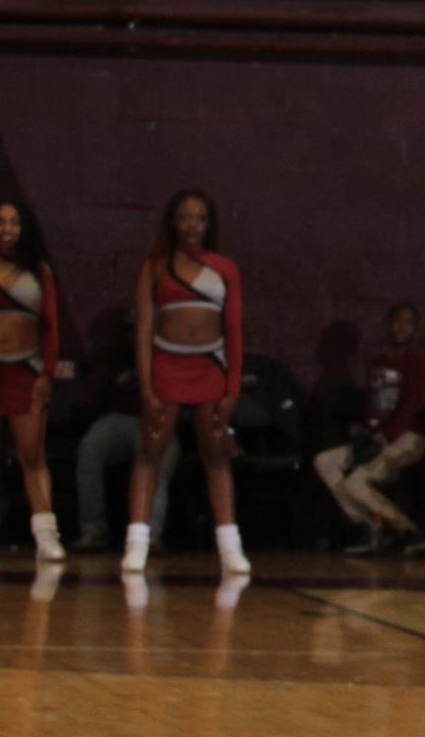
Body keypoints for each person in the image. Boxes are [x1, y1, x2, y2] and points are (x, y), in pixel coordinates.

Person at [125, 189, 250, 575]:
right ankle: (137, 542)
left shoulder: (225, 268)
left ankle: (229, 546)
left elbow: (234, 333)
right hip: (167, 363)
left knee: (215, 452)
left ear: (208, 224)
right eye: (184, 217)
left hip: (209, 365)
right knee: (151, 450)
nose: (192, 225)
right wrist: (146, 388)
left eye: (199, 218)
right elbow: (145, 331)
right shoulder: (155, 266)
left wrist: (232, 388)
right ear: (173, 222)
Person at [314, 302, 425, 555]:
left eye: (408, 322)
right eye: (397, 321)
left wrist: (387, 435)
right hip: (377, 436)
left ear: (415, 329)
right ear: (388, 325)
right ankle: (368, 525)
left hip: (407, 438)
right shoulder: (377, 360)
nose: (402, 327)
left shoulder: (415, 361)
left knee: (355, 482)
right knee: (325, 461)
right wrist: (366, 431)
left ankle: (410, 531)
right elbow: (371, 402)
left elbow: (411, 405)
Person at [72, 310, 182, 552]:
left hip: (160, 421)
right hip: (119, 419)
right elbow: (86, 401)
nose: (138, 337)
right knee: (90, 446)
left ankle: (151, 535)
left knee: (159, 458)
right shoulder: (113, 359)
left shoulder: (171, 356)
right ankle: (93, 530)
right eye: (132, 331)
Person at [0, 199, 64, 561]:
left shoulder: (39, 272)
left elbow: (50, 327)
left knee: (31, 454)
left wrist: (47, 374)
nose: (7, 229)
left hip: (24, 370)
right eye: (0, 222)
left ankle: (46, 534)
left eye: (14, 223)